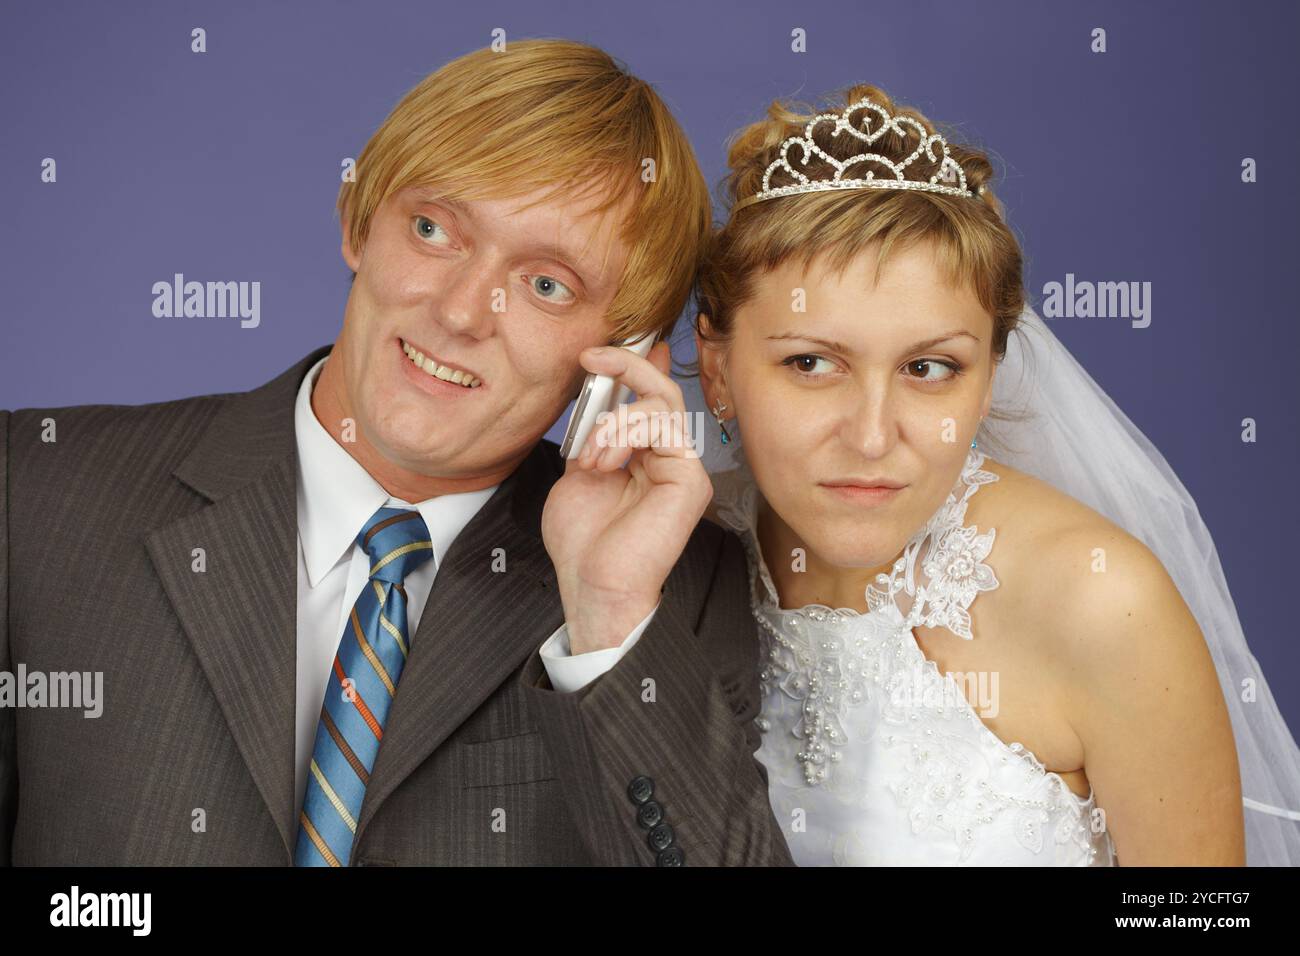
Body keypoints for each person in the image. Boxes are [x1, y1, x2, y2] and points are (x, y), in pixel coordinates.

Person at [0, 39, 794, 866]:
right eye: (433, 229)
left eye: (547, 284)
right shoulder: (32, 491)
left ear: (626, 352)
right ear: (357, 220)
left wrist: (607, 616)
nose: (460, 312)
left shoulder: (681, 588)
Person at [674, 83, 1300, 865]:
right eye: (810, 363)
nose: (873, 437)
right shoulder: (670, 560)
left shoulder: (1104, 603)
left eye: (930, 368)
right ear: (719, 367)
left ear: (991, 374)